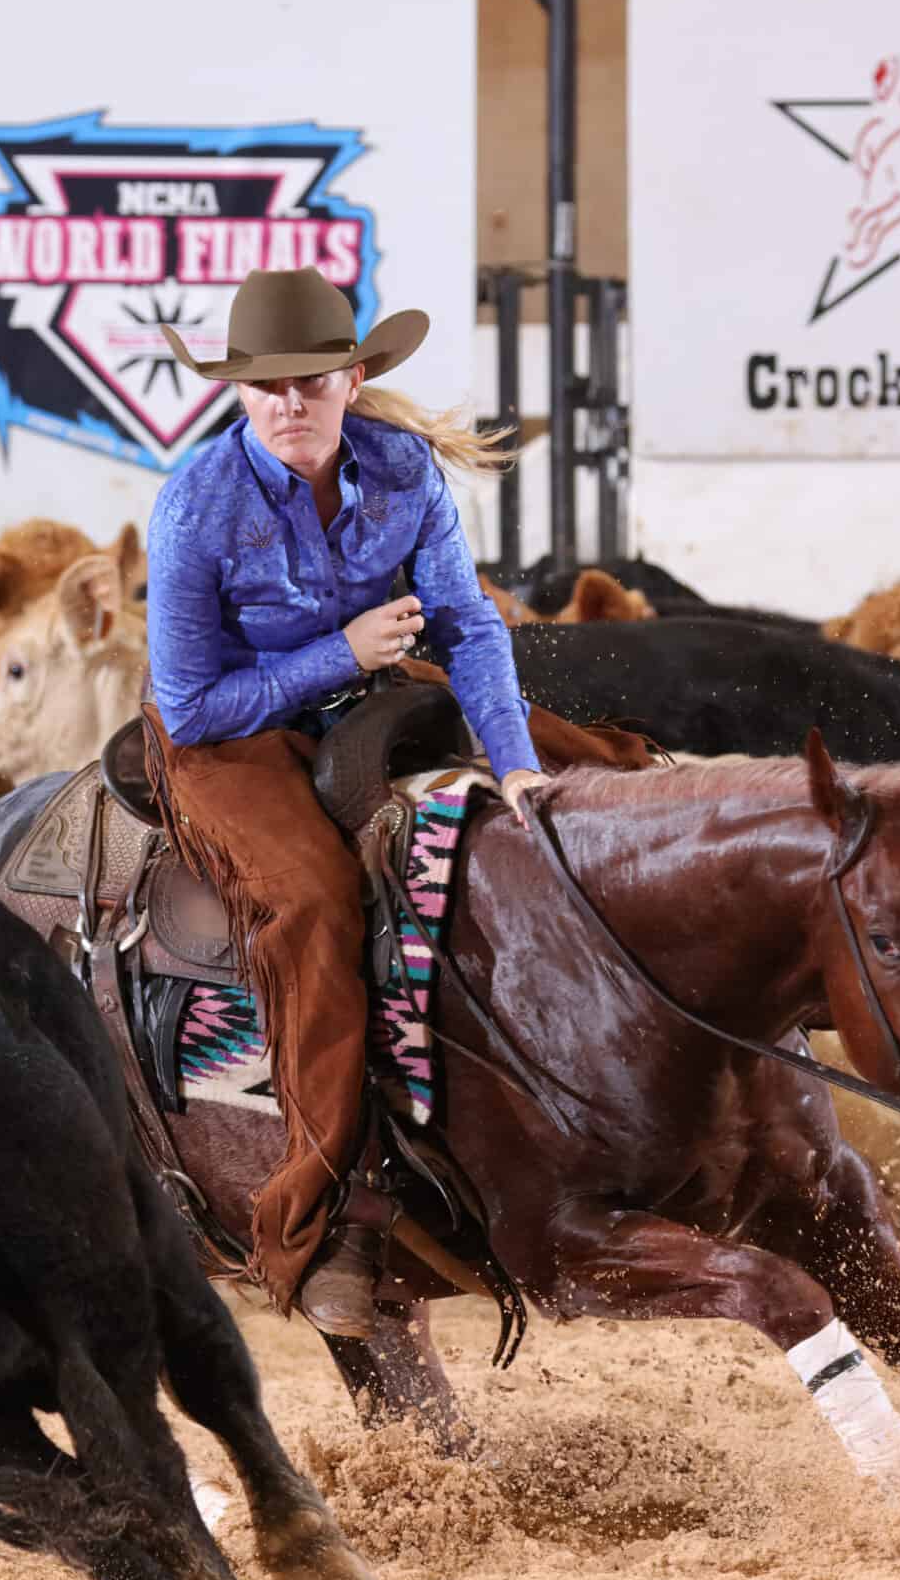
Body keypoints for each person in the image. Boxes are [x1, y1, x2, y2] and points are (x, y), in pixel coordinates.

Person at [144, 266, 652, 1338]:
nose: (290, 402)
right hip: (232, 737)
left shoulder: (401, 466)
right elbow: (188, 707)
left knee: (578, 766)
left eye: (312, 379)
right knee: (320, 903)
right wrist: (338, 651)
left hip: (365, 685)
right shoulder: (196, 502)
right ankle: (322, 1212)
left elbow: (467, 626)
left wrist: (512, 758)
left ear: (353, 375)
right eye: (266, 384)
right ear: (238, 392)